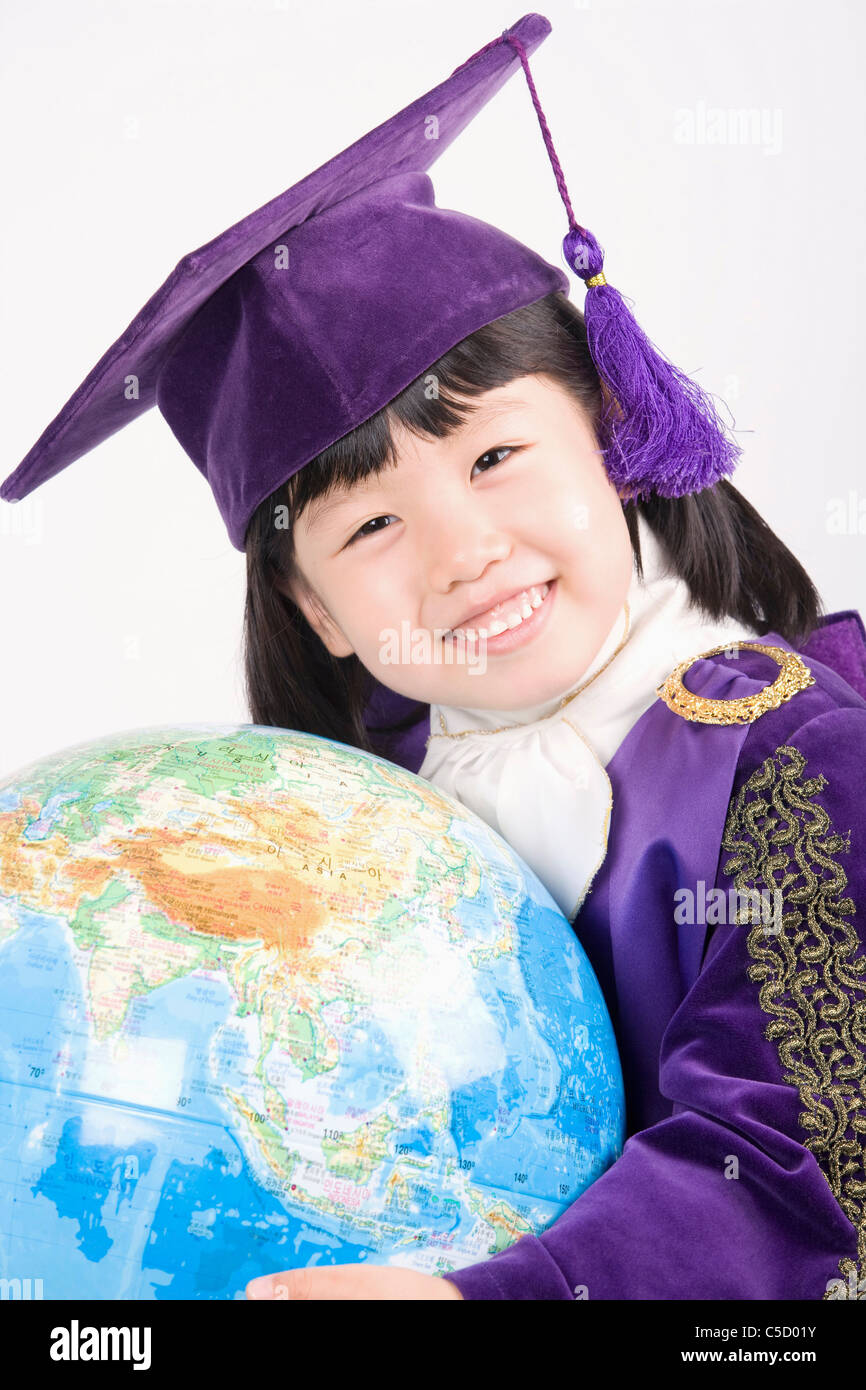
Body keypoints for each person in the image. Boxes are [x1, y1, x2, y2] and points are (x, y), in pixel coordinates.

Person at [4, 14, 864, 1299]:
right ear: (319, 615)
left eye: (494, 456)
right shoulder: (351, 826)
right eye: (371, 525)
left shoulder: (802, 767)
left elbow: (802, 1156)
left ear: (612, 435)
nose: (462, 551)